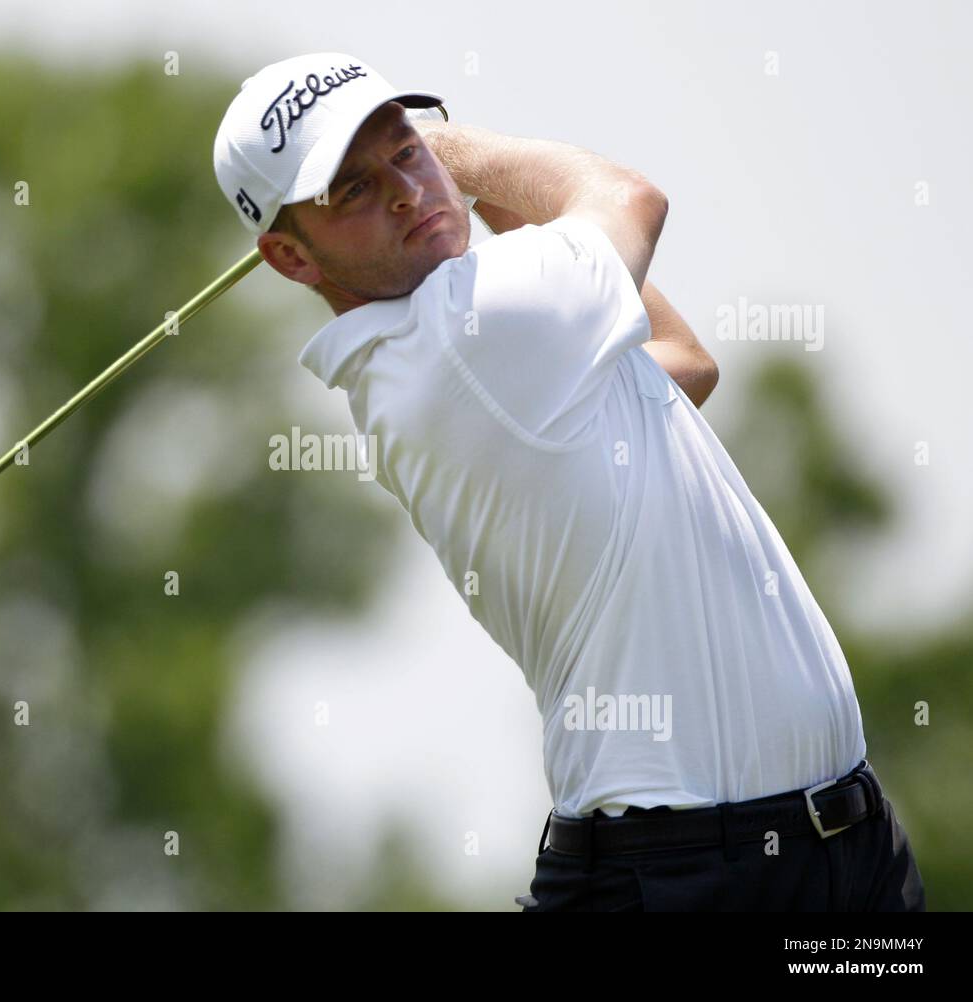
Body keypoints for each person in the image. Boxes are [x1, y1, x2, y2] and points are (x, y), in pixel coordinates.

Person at [212, 51, 925, 911]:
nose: (405, 190)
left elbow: (685, 364)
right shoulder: (461, 333)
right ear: (291, 258)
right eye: (354, 189)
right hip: (691, 877)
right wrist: (458, 154)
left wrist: (445, 185)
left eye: (405, 151)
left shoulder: (494, 347)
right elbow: (631, 198)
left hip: (833, 851)